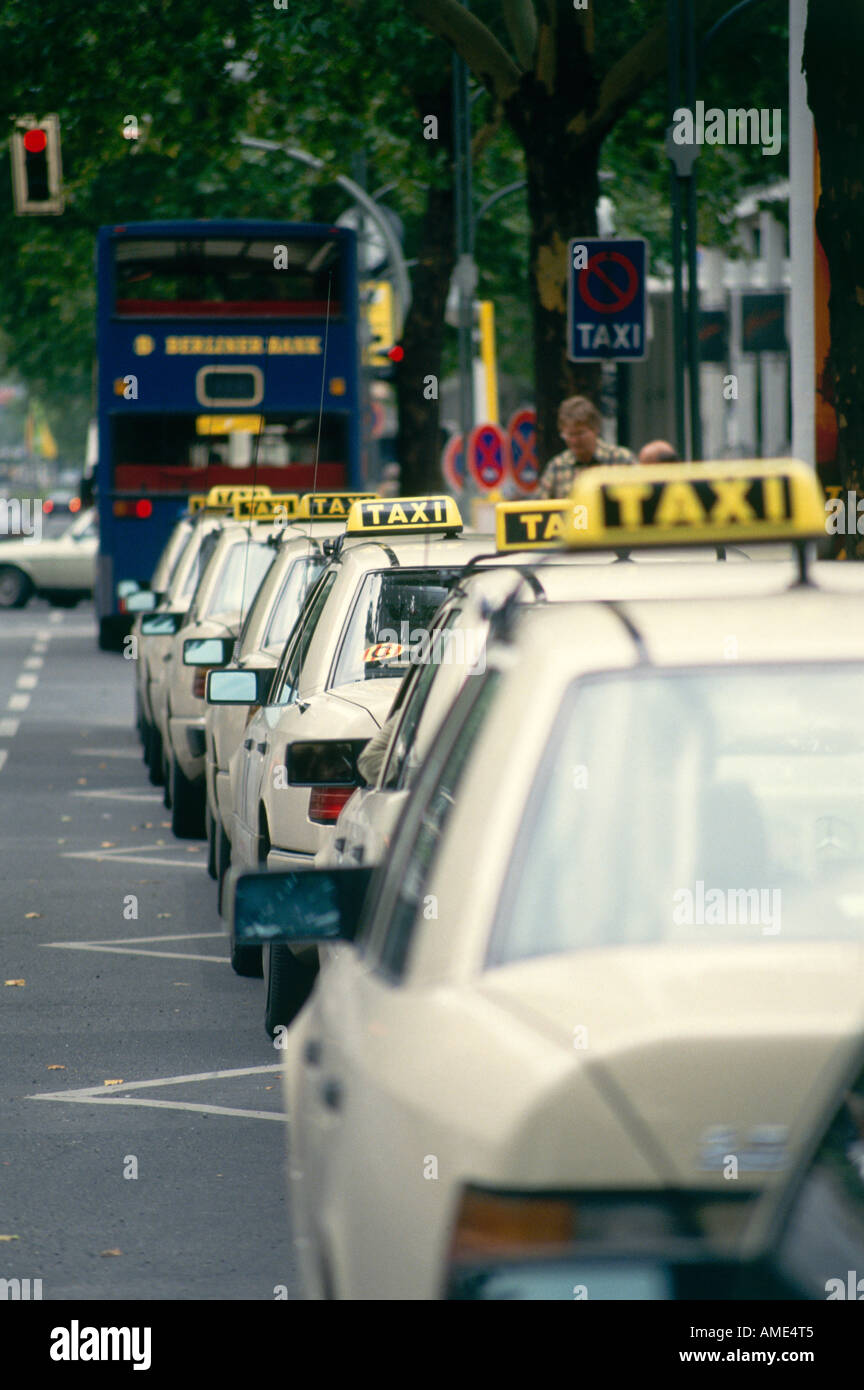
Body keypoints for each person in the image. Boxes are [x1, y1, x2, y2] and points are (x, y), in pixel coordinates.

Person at [535, 396, 635, 498]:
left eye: (580, 434)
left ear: (596, 429)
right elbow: (540, 507)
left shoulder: (621, 459)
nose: (574, 440)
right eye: (569, 435)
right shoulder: (557, 466)